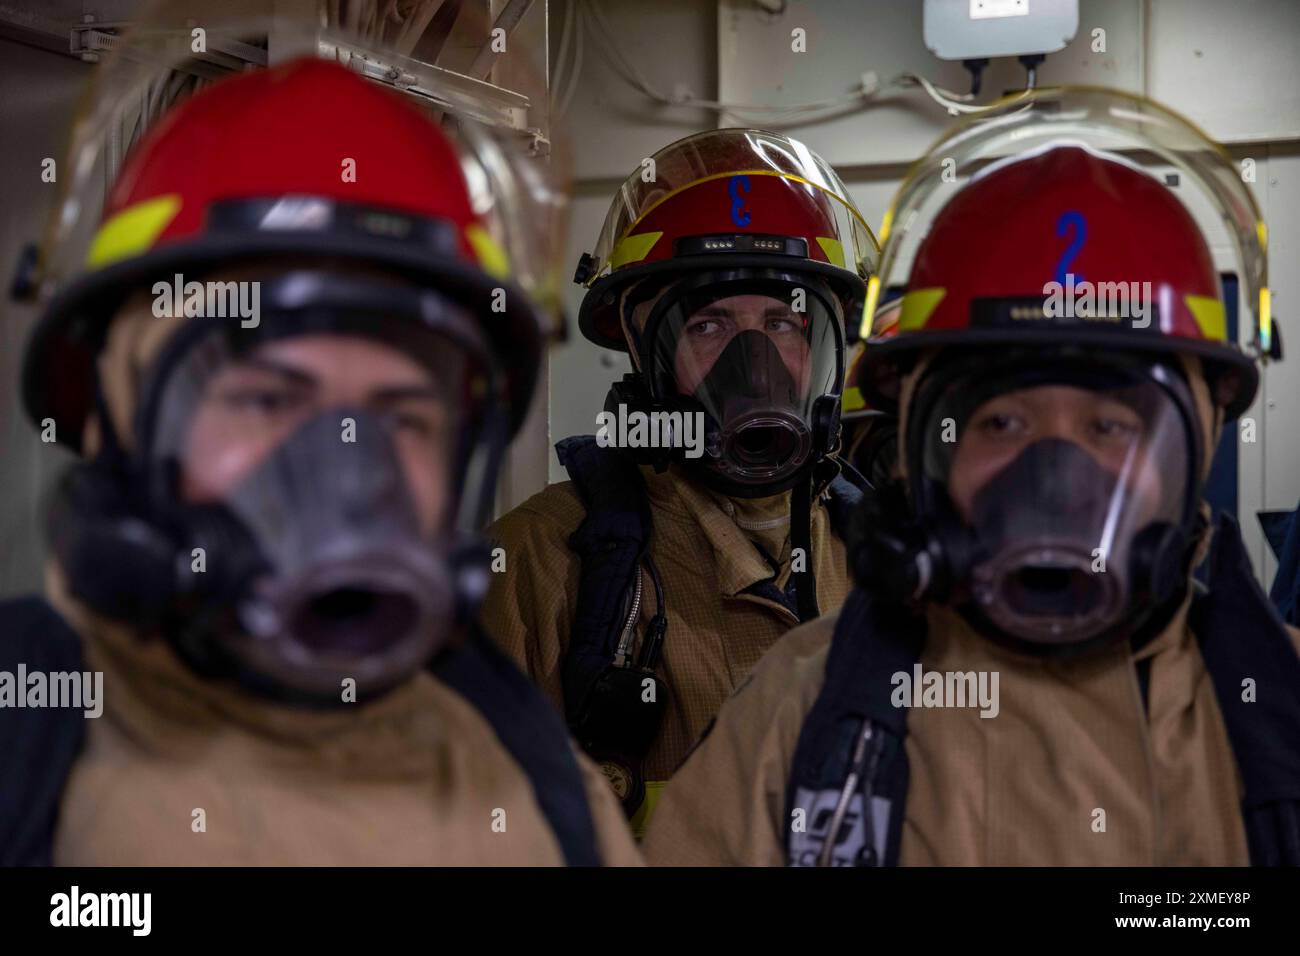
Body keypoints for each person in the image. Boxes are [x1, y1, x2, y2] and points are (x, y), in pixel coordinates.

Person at [0, 45, 639, 866]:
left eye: (401, 415)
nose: (346, 467)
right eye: (268, 399)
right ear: (116, 423)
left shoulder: (534, 781)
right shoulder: (27, 744)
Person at [643, 88, 1300, 866]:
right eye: (1002, 423)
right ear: (922, 441)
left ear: (1201, 437)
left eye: (1109, 426)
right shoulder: (801, 712)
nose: (1056, 479)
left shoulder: (1277, 711)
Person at [483, 129, 877, 830]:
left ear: (825, 344)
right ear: (643, 351)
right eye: (708, 325)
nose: (752, 363)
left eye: (784, 323)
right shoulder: (536, 568)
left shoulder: (887, 564)